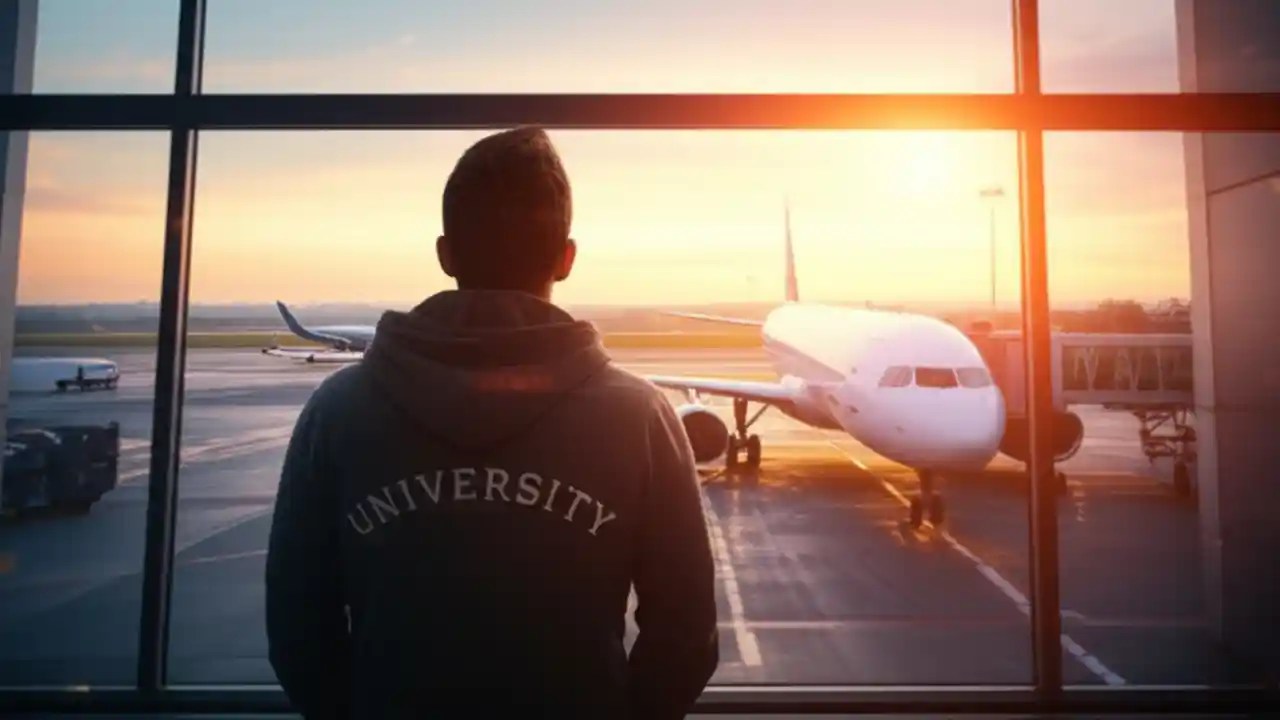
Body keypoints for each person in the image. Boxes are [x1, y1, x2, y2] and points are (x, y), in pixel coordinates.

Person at [266, 126, 719, 719]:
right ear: (566, 258)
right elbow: (686, 633)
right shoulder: (641, 415)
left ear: (445, 253)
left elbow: (298, 628)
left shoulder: (336, 411)